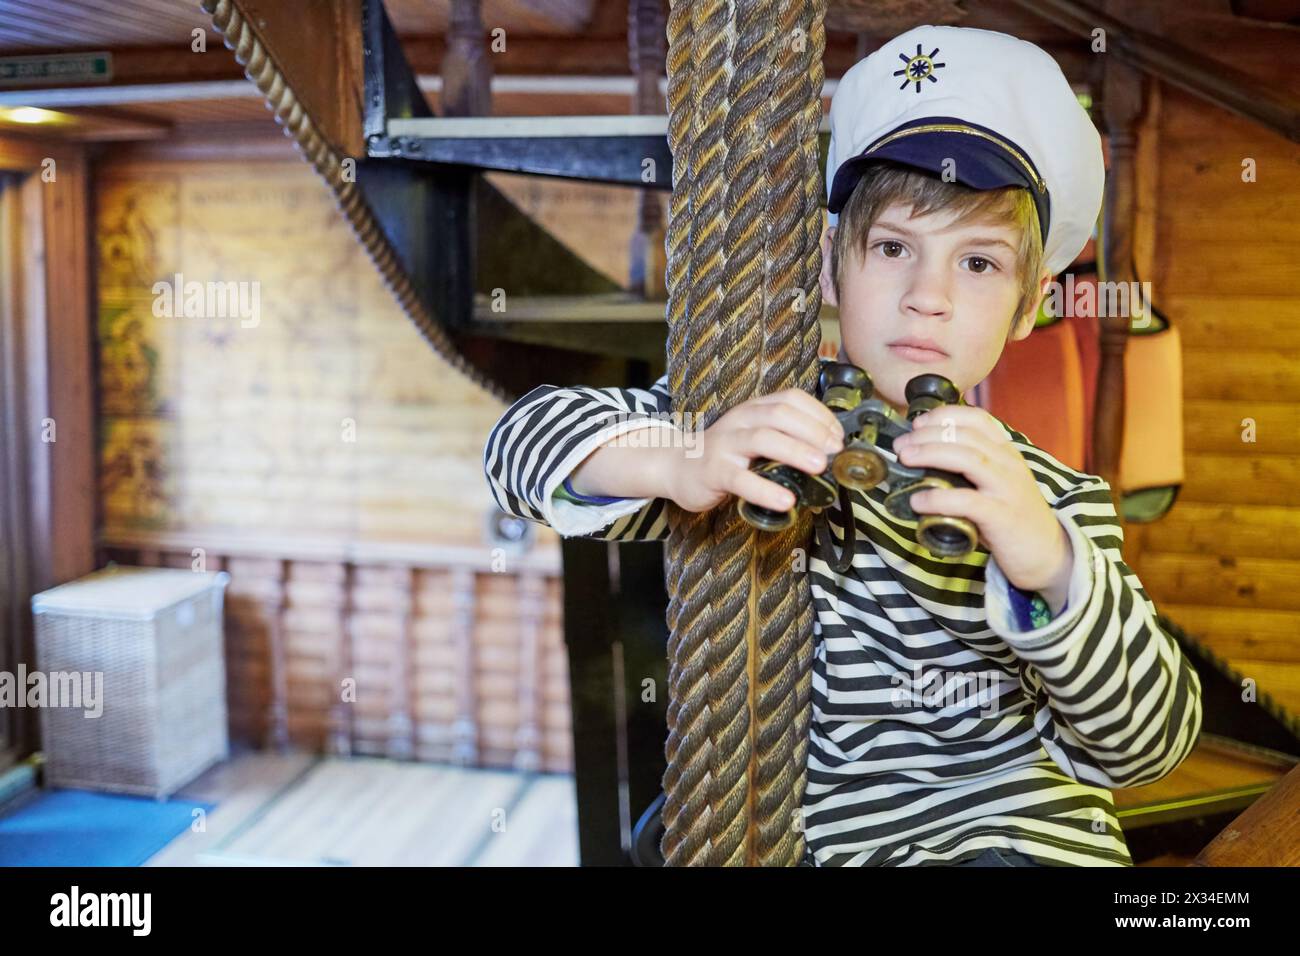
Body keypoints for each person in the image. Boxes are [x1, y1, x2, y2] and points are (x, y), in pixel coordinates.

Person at [483, 24, 1202, 867]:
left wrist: (1051, 564)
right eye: (893, 247)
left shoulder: (1057, 499)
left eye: (978, 264)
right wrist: (682, 462)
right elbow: (516, 446)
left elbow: (1151, 747)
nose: (926, 296)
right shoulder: (757, 424)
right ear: (832, 267)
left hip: (1008, 842)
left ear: (1030, 303)